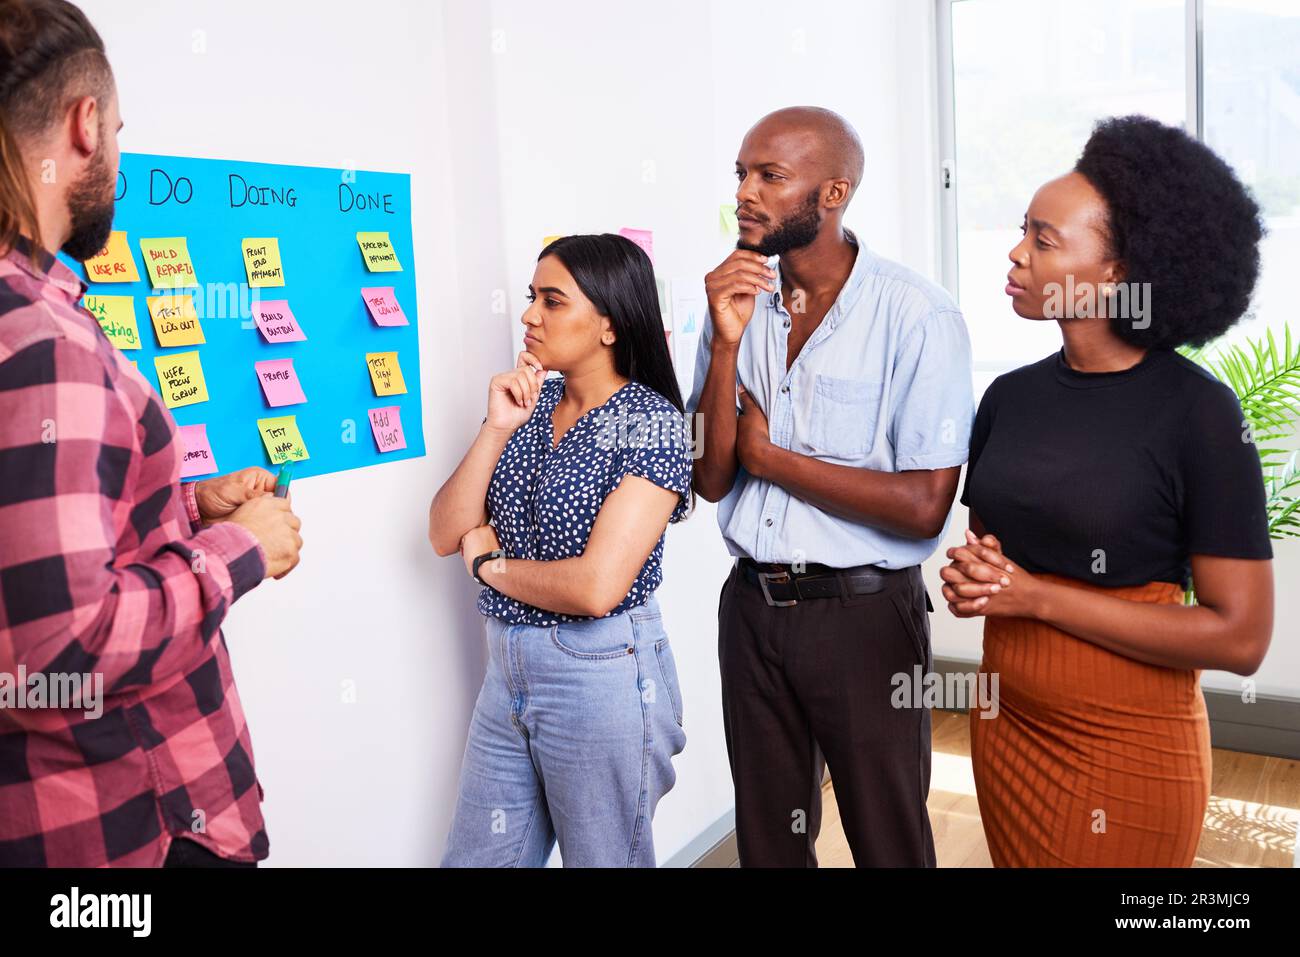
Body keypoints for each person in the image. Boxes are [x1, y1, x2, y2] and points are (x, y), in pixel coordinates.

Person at [0, 0, 302, 867]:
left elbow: (39, 551)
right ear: (85, 125)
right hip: (134, 829)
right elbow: (60, 649)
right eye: (122, 131)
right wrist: (238, 548)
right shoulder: (43, 343)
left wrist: (183, 503)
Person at [942, 114, 1275, 867]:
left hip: (1130, 750)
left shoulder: (1199, 413)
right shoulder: (1010, 399)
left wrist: (1038, 599)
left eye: (1043, 239)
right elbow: (999, 559)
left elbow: (1242, 637)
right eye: (1023, 230)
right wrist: (977, 583)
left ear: (1119, 273)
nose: (1015, 252)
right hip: (1007, 725)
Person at [688, 106, 975, 867]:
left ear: (833, 192)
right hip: (751, 607)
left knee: (887, 840)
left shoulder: (917, 315)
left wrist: (772, 457)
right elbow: (713, 477)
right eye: (742, 174)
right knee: (769, 844)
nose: (746, 192)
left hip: (865, 616)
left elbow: (923, 509)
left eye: (771, 176)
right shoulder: (732, 304)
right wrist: (723, 343)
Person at [429, 233, 693, 867]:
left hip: (600, 673)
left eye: (553, 300)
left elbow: (596, 586)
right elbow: (444, 530)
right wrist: (496, 427)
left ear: (608, 324)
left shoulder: (648, 421)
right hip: (509, 670)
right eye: (531, 297)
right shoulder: (529, 403)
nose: (529, 315)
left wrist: (488, 566)